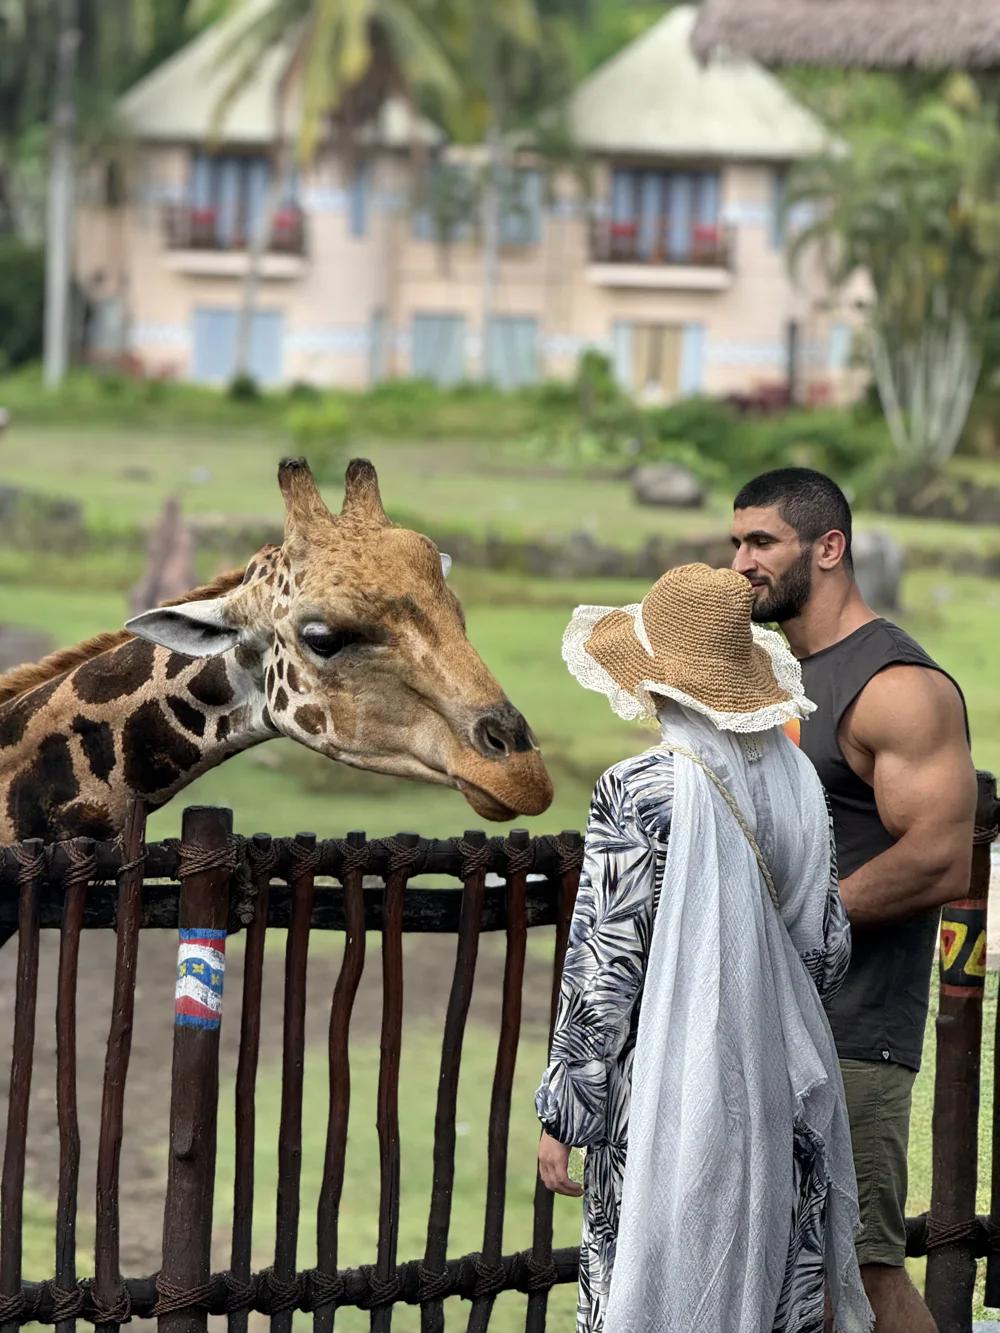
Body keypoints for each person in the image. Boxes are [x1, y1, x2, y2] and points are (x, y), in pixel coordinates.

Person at [535, 563, 874, 1333]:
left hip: (664, 1096)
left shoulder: (640, 789)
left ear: (654, 677)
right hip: (781, 1088)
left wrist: (568, 1110)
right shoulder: (800, 785)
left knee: (656, 1284)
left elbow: (605, 966)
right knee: (770, 1291)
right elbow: (827, 949)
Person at [730, 468, 977, 1333]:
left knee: (863, 1272)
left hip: (857, 1029)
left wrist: (798, 928)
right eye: (735, 542)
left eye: (761, 543)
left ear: (828, 548)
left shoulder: (897, 684)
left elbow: (941, 855)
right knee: (763, 1270)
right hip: (765, 1019)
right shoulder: (771, 671)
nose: (740, 563)